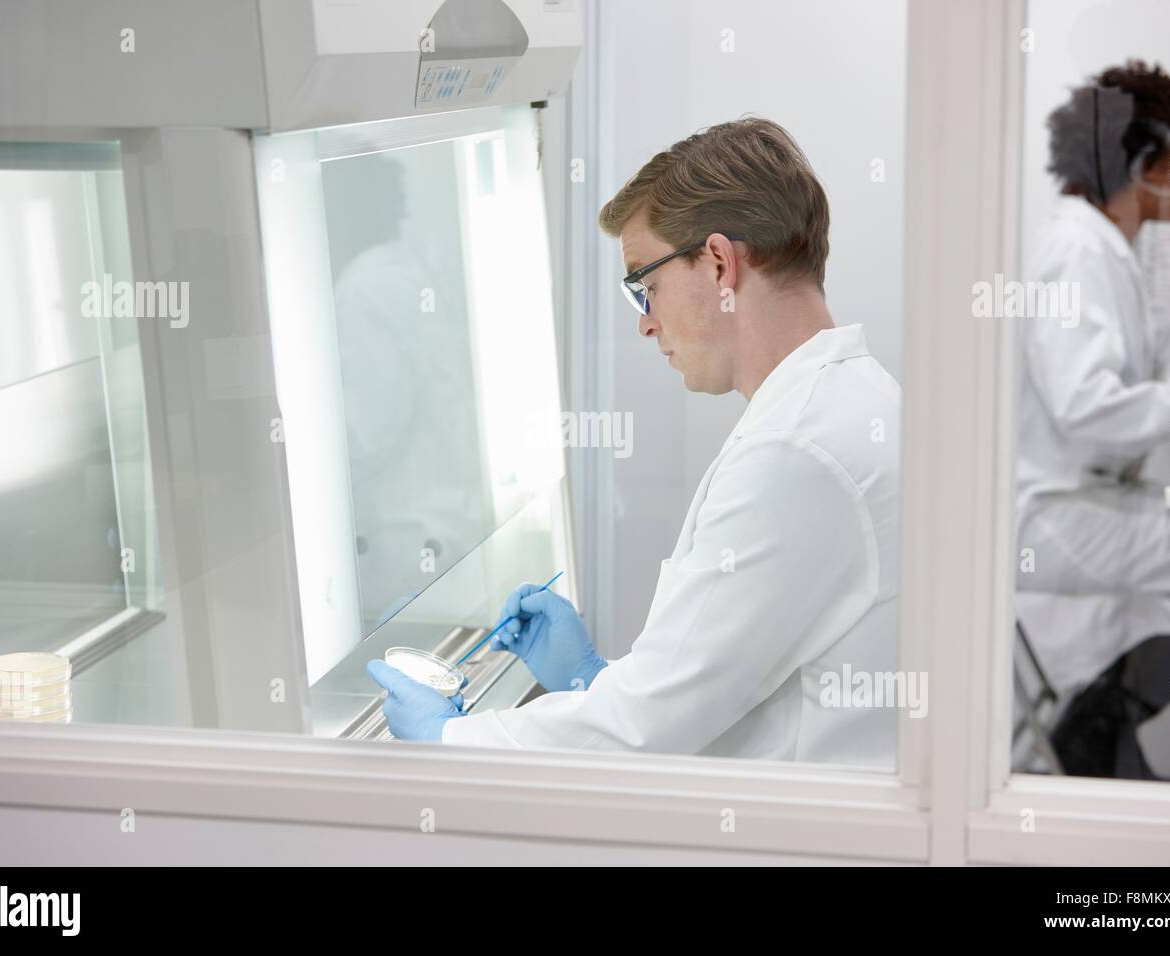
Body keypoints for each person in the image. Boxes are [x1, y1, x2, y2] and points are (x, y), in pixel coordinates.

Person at [368, 117, 901, 765]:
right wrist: (591, 680)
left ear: (718, 263)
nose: (646, 324)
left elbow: (647, 723)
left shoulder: (797, 451)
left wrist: (449, 739)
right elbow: (700, 685)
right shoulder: (838, 405)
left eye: (646, 288)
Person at [1015, 61, 1170, 778]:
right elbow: (1090, 410)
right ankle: (1102, 716)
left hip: (1090, 501)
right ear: (1142, 164)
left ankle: (1107, 713)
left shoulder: (1115, 253)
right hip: (1055, 516)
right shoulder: (1076, 253)